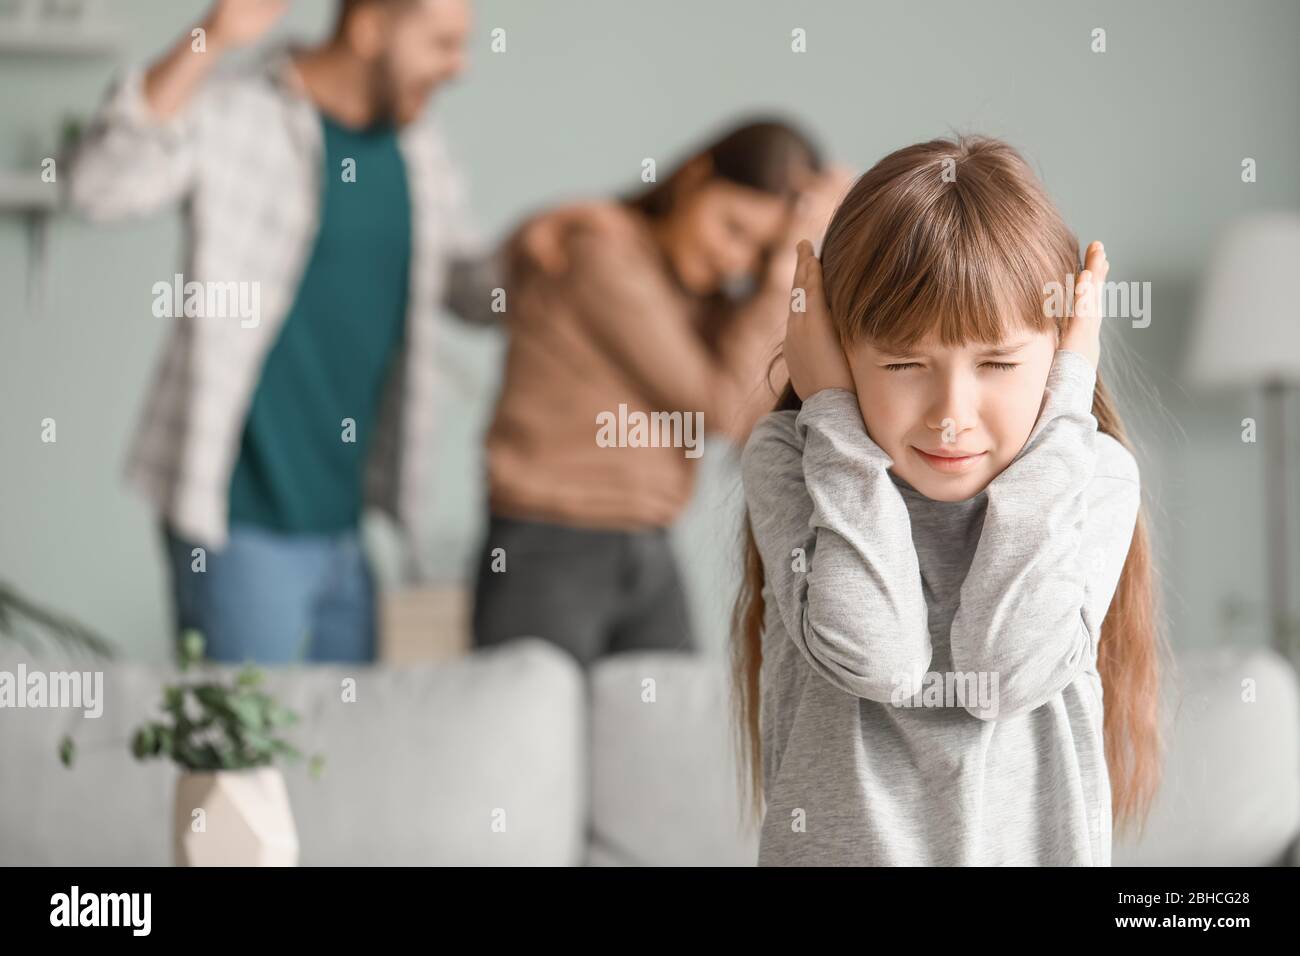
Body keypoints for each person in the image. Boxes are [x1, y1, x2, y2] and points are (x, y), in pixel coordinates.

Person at [67, 0, 607, 664]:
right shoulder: (240, 114)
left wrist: (525, 255)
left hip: (346, 530)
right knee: (245, 757)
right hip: (238, 523)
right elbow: (97, 187)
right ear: (370, 28)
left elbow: (466, 290)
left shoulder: (416, 147)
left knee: (346, 751)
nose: (458, 68)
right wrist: (214, 34)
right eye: (441, 43)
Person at [734, 136, 1165, 865]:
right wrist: (833, 415)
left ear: (1059, 353)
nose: (950, 414)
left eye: (996, 363)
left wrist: (1066, 408)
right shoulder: (794, 463)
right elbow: (878, 660)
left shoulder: (1093, 477)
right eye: (904, 364)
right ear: (834, 352)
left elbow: (1002, 673)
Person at [473, 120, 851, 666]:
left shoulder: (704, 297)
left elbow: (753, 412)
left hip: (647, 541)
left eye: (760, 252)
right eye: (733, 228)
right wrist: (783, 277)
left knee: (662, 741)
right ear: (694, 177)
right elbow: (720, 407)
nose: (736, 261)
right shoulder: (599, 249)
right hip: (547, 544)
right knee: (529, 740)